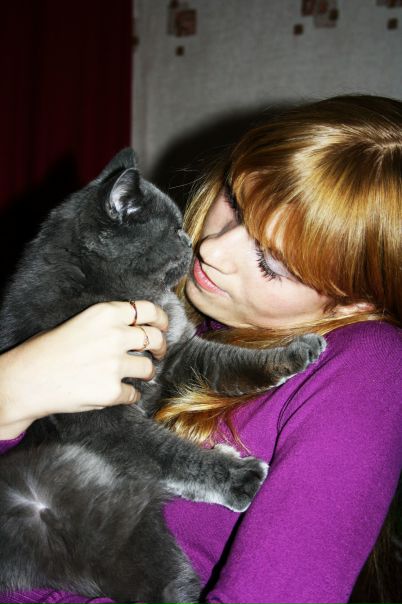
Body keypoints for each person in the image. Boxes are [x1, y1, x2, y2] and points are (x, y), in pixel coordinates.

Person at [0, 94, 401, 604]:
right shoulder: (158, 306)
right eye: (234, 201)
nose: (211, 248)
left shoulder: (368, 363)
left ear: (352, 300)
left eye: (271, 263)